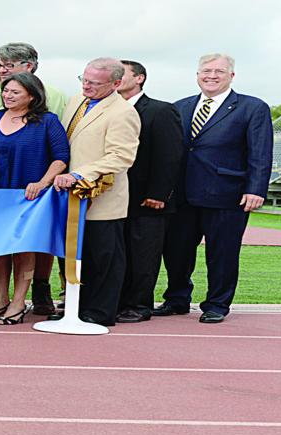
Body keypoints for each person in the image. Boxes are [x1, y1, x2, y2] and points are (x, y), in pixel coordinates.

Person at [159, 53, 272, 324]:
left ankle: (217, 304)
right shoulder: (180, 107)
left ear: (231, 75)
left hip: (226, 194)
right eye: (206, 71)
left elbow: (261, 153)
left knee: (222, 253)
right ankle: (176, 299)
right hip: (183, 194)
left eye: (219, 71)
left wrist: (255, 189)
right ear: (197, 75)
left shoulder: (252, 108)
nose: (211, 76)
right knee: (176, 251)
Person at [0, 42, 69, 315]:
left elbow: (61, 157)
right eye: (5, 91)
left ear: (32, 96)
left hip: (28, 197)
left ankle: (19, 302)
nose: (7, 96)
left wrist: (43, 182)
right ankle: (0, 299)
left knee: (24, 248)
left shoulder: (48, 121)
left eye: (15, 92)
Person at [51, 58, 139, 327]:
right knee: (73, 254)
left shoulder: (123, 112)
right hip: (68, 195)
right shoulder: (76, 100)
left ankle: (99, 312)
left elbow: (121, 156)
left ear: (115, 83)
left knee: (102, 257)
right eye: (84, 79)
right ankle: (75, 306)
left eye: (94, 83)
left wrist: (80, 174)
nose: (87, 86)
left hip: (101, 198)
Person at [113, 60, 182, 324]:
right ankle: (116, 301)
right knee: (118, 253)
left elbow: (170, 155)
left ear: (139, 78)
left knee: (143, 254)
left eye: (123, 73)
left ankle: (139, 305)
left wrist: (159, 193)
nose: (116, 77)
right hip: (114, 197)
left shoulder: (160, 111)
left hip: (147, 198)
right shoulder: (106, 109)